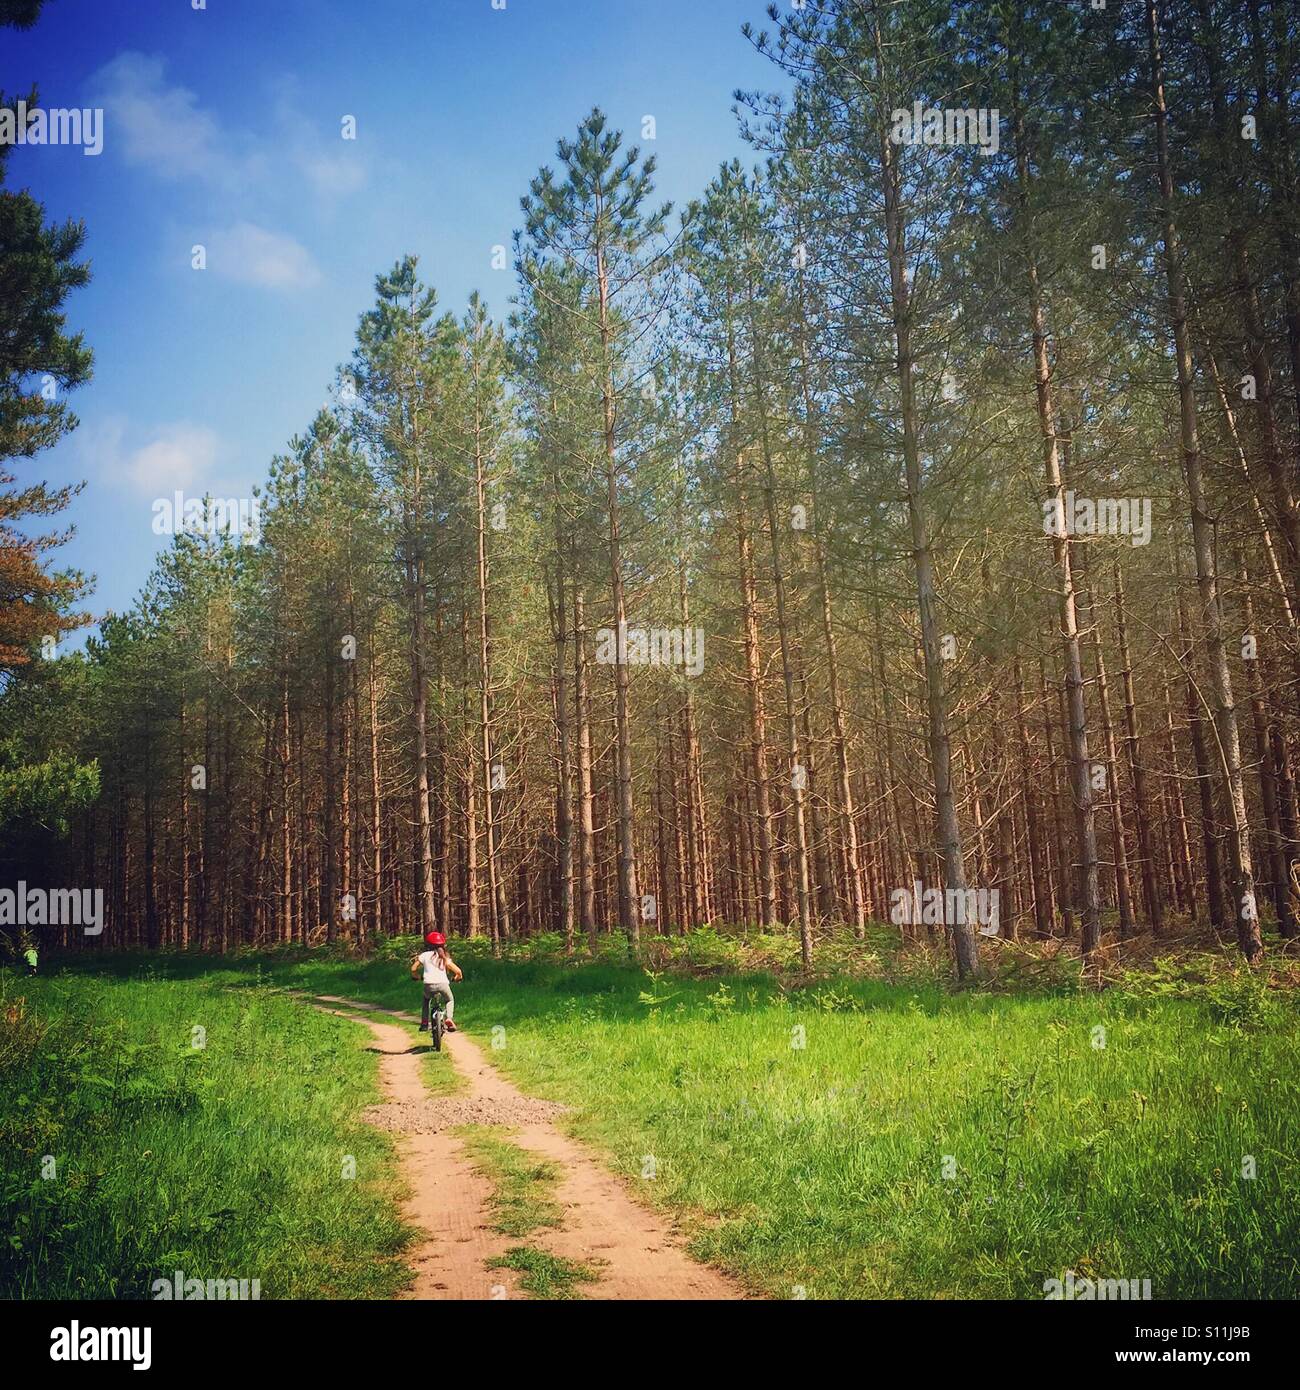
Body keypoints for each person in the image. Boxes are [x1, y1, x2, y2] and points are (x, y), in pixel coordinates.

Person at [413, 931, 462, 1033]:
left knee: (426, 1001)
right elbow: (458, 972)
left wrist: (417, 976)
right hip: (443, 985)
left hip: (428, 985)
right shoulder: (444, 957)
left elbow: (413, 968)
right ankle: (449, 1018)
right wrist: (457, 978)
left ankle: (424, 1023)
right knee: (449, 1000)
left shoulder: (424, 955)